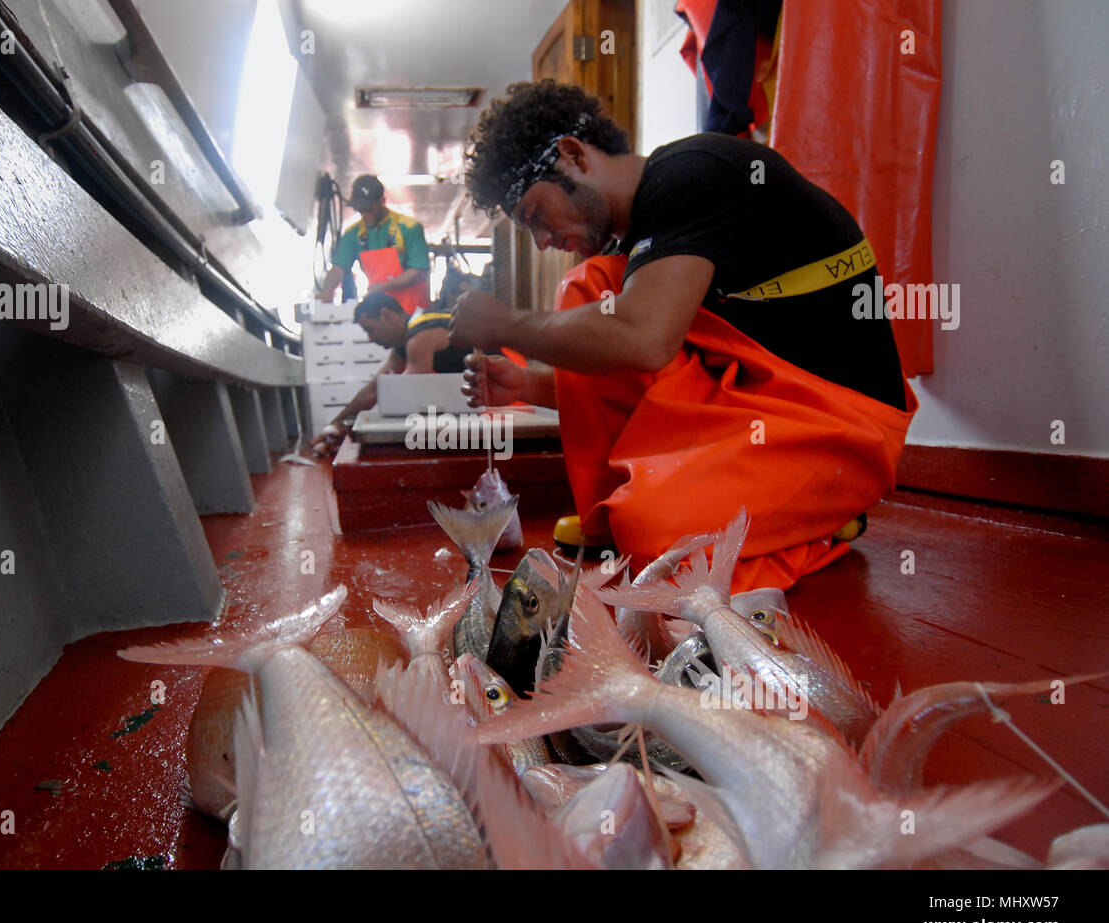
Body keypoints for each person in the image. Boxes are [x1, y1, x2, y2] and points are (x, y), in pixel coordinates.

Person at [449, 79, 917, 591]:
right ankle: (611, 514)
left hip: (841, 426)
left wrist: (504, 324)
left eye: (534, 215)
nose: (541, 242)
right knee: (590, 287)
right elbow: (650, 367)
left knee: (658, 541)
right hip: (762, 400)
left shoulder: (693, 176)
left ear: (572, 156)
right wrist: (529, 387)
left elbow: (645, 340)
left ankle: (818, 525)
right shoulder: (645, 238)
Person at [311, 292, 469, 456]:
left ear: (385, 315)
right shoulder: (409, 337)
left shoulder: (421, 336)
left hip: (492, 402)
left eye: (370, 329)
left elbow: (406, 391)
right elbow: (374, 389)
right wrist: (336, 424)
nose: (371, 338)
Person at [317, 175, 431, 315]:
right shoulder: (354, 234)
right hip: (381, 315)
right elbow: (338, 267)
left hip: (413, 312)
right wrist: (327, 290)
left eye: (368, 209)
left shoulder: (409, 228)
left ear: (382, 201)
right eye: (360, 210)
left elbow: (419, 270)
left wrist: (384, 287)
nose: (364, 215)